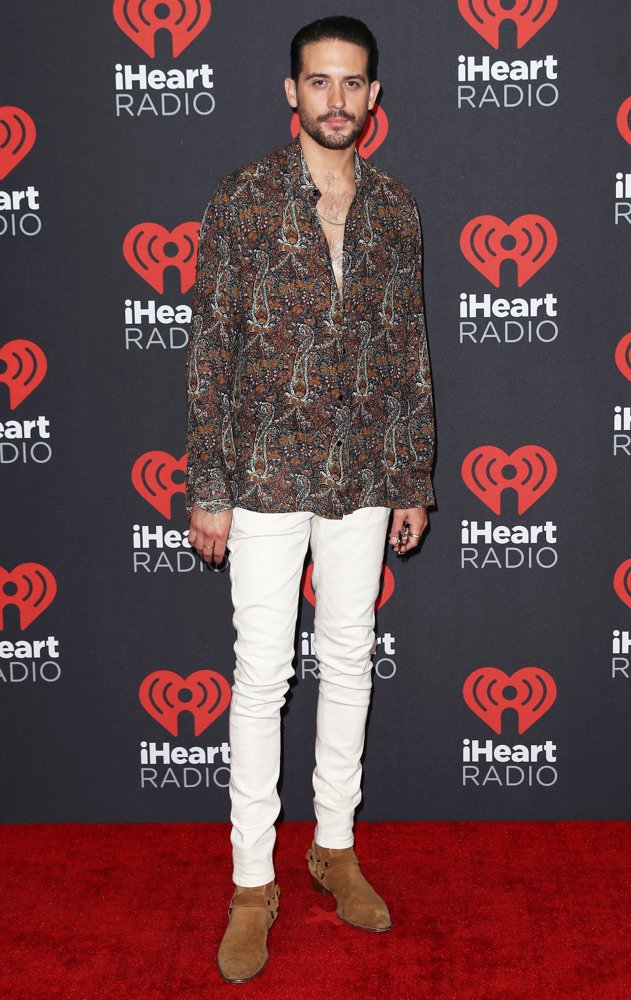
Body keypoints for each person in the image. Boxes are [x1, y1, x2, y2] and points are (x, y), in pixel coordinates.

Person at [186, 15, 435, 984]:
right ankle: (254, 882)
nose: (336, 99)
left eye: (353, 83)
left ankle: (333, 847)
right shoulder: (243, 201)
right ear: (291, 92)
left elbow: (409, 353)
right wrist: (207, 484)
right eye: (319, 82)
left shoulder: (396, 210)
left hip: (364, 472)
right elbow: (210, 352)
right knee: (260, 674)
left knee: (346, 659)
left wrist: (412, 473)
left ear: (373, 98)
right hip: (259, 473)